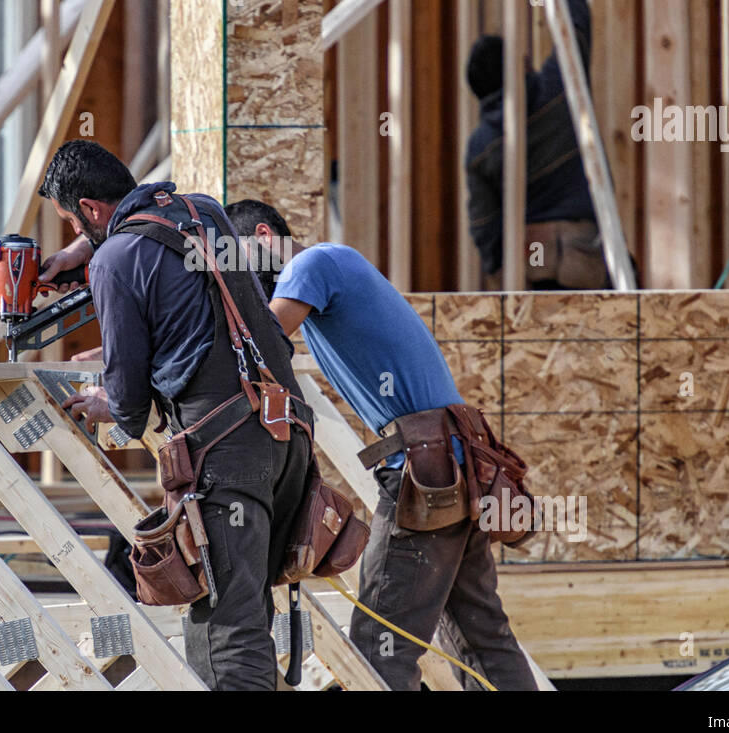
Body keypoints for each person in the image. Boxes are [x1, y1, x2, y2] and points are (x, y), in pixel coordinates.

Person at [224, 198, 537, 691]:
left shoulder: (313, 264)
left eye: (238, 264)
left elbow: (256, 343)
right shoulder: (334, 269)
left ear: (264, 238)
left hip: (427, 471)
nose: (239, 283)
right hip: (454, 464)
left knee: (379, 641)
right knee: (482, 634)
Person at [35, 140, 312, 690]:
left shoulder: (113, 261)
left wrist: (106, 400)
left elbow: (132, 407)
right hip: (286, 435)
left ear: (91, 210)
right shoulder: (203, 210)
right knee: (249, 606)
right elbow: (165, 259)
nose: (74, 236)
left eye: (73, 222)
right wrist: (83, 252)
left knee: (225, 632)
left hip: (224, 453)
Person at [464, 0, 609, 290]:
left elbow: (483, 225)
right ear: (519, 66)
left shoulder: (482, 146)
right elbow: (573, 26)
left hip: (531, 264)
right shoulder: (556, 90)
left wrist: (500, 276)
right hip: (583, 254)